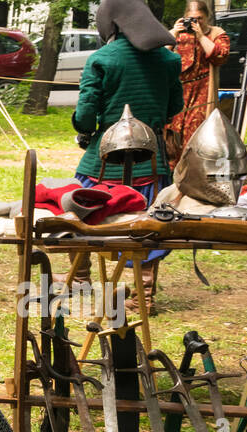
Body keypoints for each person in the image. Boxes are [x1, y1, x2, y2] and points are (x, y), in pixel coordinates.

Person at [72, 0, 182, 310]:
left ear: (112, 22)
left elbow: (84, 116)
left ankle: (80, 279)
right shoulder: (169, 60)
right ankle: (142, 296)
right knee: (151, 224)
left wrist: (85, 128)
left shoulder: (102, 59)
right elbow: (174, 108)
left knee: (80, 214)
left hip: (102, 165)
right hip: (153, 163)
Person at [165, 1, 230, 167]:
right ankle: (173, 177)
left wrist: (201, 36)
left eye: (199, 18)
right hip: (178, 92)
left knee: (197, 135)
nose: (195, 22)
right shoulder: (178, 34)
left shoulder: (216, 34)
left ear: (207, 17)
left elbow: (220, 56)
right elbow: (159, 57)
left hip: (202, 91)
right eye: (191, 19)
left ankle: (194, 176)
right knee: (171, 137)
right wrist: (173, 32)